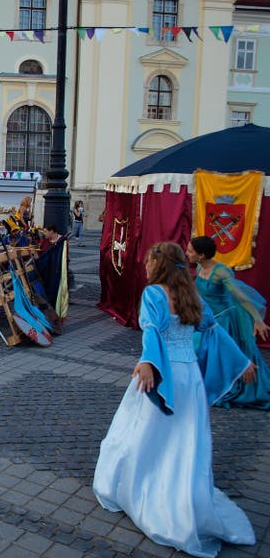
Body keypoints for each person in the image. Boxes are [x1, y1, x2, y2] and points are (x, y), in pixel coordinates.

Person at [94, 242, 257, 558]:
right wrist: (241, 360)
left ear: (159, 265)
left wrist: (147, 362)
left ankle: (143, 489)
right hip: (189, 378)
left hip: (161, 373)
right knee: (184, 439)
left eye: (149, 262)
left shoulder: (153, 294)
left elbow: (152, 331)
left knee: (145, 433)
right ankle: (183, 496)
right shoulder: (192, 294)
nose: (145, 267)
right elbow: (214, 331)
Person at [186, 235, 270, 409]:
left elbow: (241, 298)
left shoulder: (222, 272)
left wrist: (257, 319)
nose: (187, 253)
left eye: (190, 251)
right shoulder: (200, 266)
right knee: (197, 349)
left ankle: (228, 386)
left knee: (222, 355)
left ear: (201, 255)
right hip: (206, 320)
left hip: (224, 321)